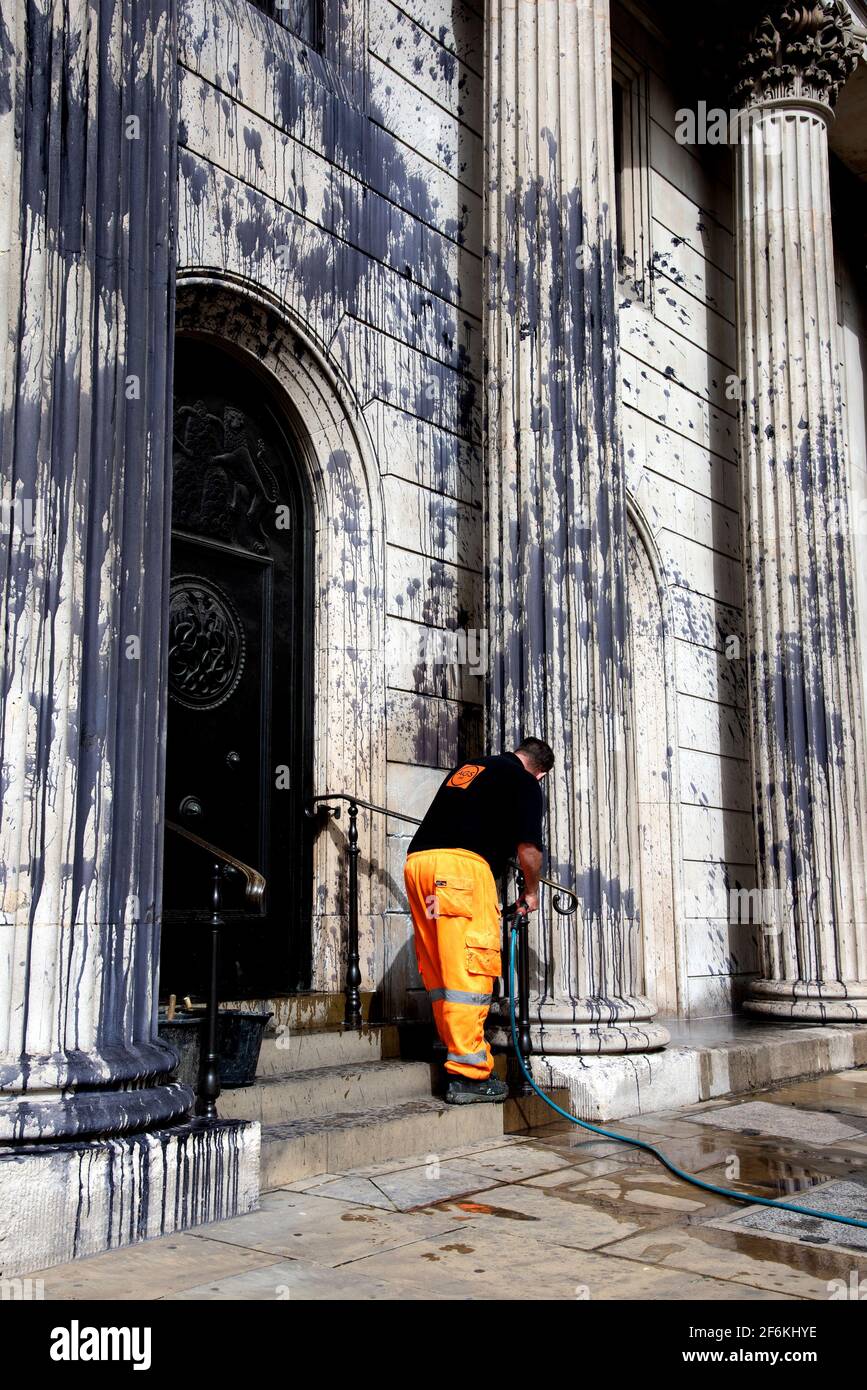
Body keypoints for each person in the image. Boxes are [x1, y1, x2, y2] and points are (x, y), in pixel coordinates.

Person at [403, 737, 554, 1105]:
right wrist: (531, 892)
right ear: (542, 773)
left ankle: (455, 1049)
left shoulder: (472, 768)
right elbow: (529, 850)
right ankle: (470, 1075)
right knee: (470, 971)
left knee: (442, 970)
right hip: (461, 871)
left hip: (421, 867)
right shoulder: (524, 781)